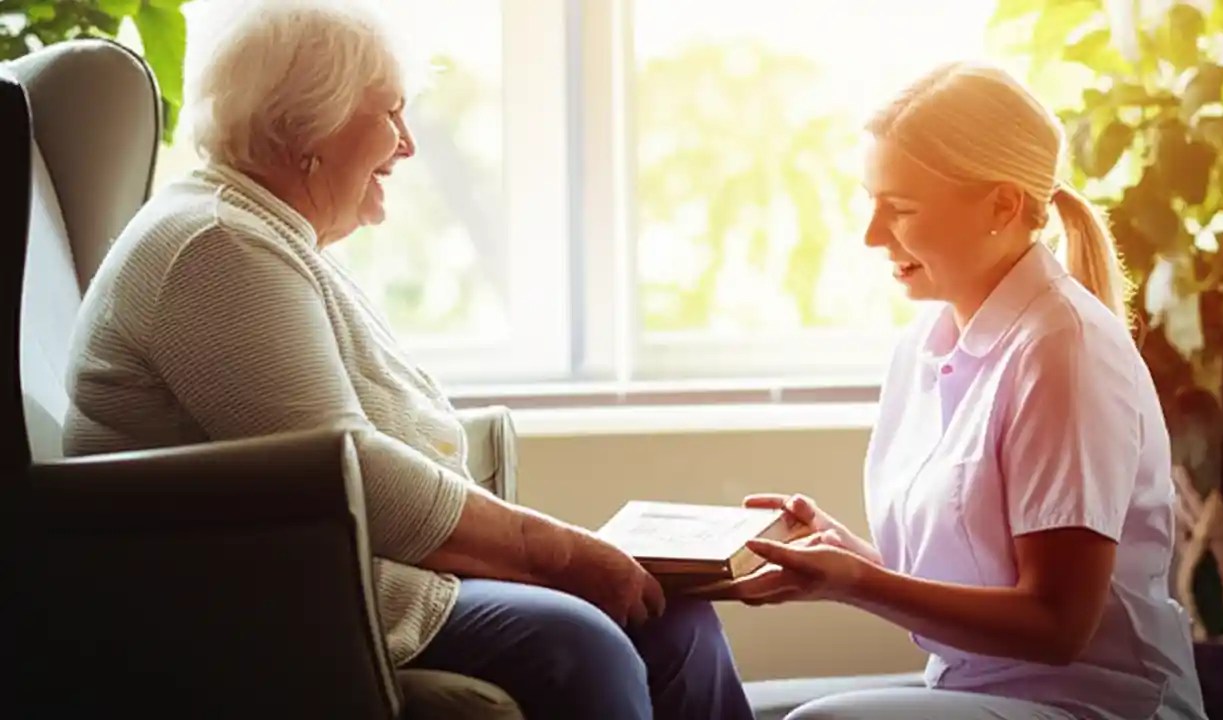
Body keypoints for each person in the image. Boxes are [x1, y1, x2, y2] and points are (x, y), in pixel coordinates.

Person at [60, 1, 752, 718]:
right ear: (308, 127)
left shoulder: (261, 235)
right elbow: (346, 469)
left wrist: (574, 557)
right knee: (583, 642)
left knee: (676, 624)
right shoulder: (214, 248)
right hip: (264, 607)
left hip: (353, 580)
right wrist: (564, 555)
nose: (407, 145)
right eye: (390, 113)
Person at [698, 61, 1207, 720]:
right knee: (744, 706)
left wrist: (859, 583)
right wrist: (841, 554)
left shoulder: (1064, 349)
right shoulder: (926, 345)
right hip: (971, 689)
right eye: (871, 201)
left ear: (1002, 204)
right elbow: (978, 573)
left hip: (1096, 705)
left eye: (901, 209)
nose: (872, 235)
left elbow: (1057, 625)